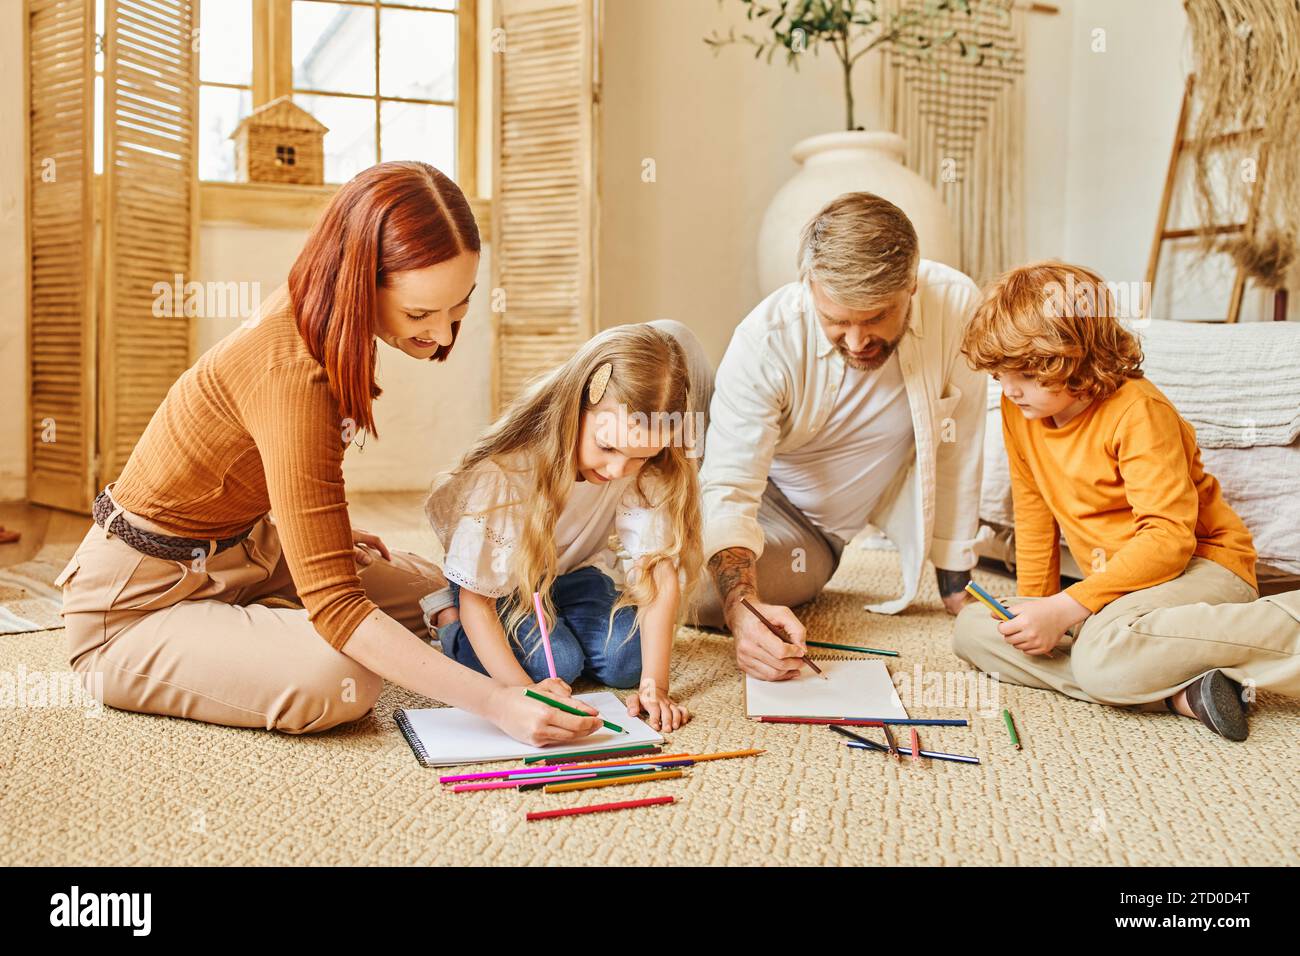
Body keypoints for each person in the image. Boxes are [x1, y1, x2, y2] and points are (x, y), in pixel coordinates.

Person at [56, 161, 604, 745]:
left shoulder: (329, 320)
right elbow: (339, 606)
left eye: (460, 307)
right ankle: (248, 633)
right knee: (340, 677)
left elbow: (255, 473)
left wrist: (314, 539)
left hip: (246, 550)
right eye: (420, 314)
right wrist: (499, 703)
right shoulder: (293, 372)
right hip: (141, 600)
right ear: (357, 280)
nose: (444, 335)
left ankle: (260, 620)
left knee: (431, 587)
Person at [952, 260, 1300, 741]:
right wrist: (1037, 608)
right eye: (1000, 375)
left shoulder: (1138, 411)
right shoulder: (1020, 411)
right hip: (1121, 591)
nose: (1009, 389)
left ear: (1074, 357)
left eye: (1027, 374)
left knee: (1100, 653)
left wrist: (1068, 608)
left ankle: (1281, 623)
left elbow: (1168, 541)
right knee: (974, 630)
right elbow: (1034, 517)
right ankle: (1181, 692)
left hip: (1202, 568)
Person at [698, 192, 986, 681]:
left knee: (701, 594)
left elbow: (962, 444)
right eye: (837, 321)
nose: (857, 342)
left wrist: (956, 581)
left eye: (875, 318)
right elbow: (729, 487)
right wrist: (741, 604)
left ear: (912, 284)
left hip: (809, 535)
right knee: (668, 342)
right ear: (810, 287)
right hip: (741, 481)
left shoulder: (956, 305)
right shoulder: (766, 339)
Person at [425, 323, 708, 732]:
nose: (617, 471)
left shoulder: (645, 468)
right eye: (607, 447)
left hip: (573, 575)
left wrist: (655, 686)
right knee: (555, 663)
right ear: (577, 407)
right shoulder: (507, 472)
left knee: (629, 660)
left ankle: (563, 630)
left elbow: (656, 576)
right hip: (496, 588)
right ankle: (443, 617)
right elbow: (479, 603)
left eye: (638, 457)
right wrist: (522, 694)